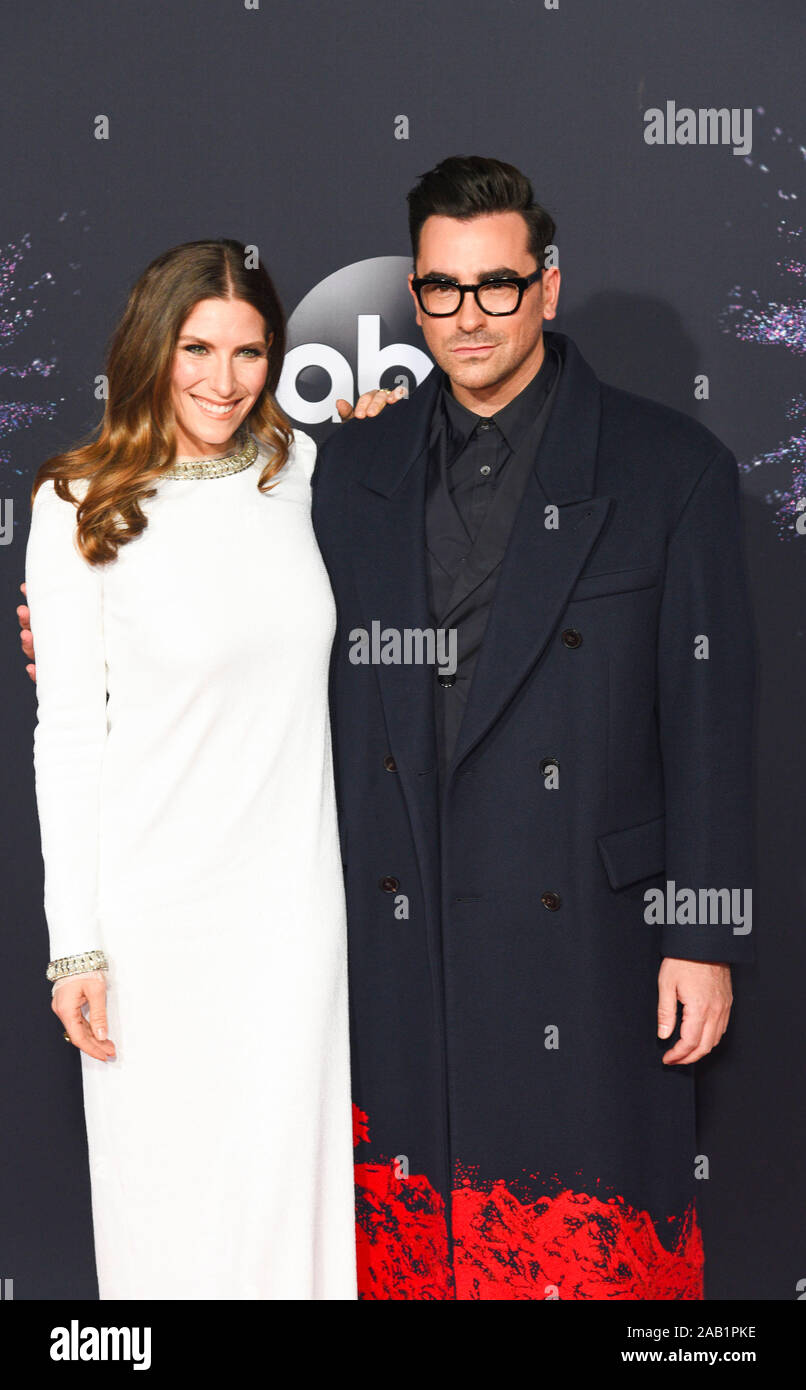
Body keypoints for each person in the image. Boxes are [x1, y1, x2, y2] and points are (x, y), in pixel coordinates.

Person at [310, 156, 757, 1299]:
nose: (469, 317)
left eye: (496, 286)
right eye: (443, 291)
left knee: (576, 1250)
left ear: (546, 287)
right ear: (414, 299)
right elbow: (242, 626)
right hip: (395, 924)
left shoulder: (671, 471)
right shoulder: (345, 465)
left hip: (585, 934)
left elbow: (710, 718)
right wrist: (82, 635)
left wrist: (701, 936)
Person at [18, 237, 399, 1300]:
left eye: (249, 351)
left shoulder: (305, 475)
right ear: (152, 347)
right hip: (153, 921)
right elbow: (69, 736)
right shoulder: (77, 502)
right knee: (167, 1214)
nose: (222, 381)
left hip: (291, 914)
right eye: (197, 348)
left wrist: (378, 428)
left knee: (291, 1199)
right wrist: (74, 945)